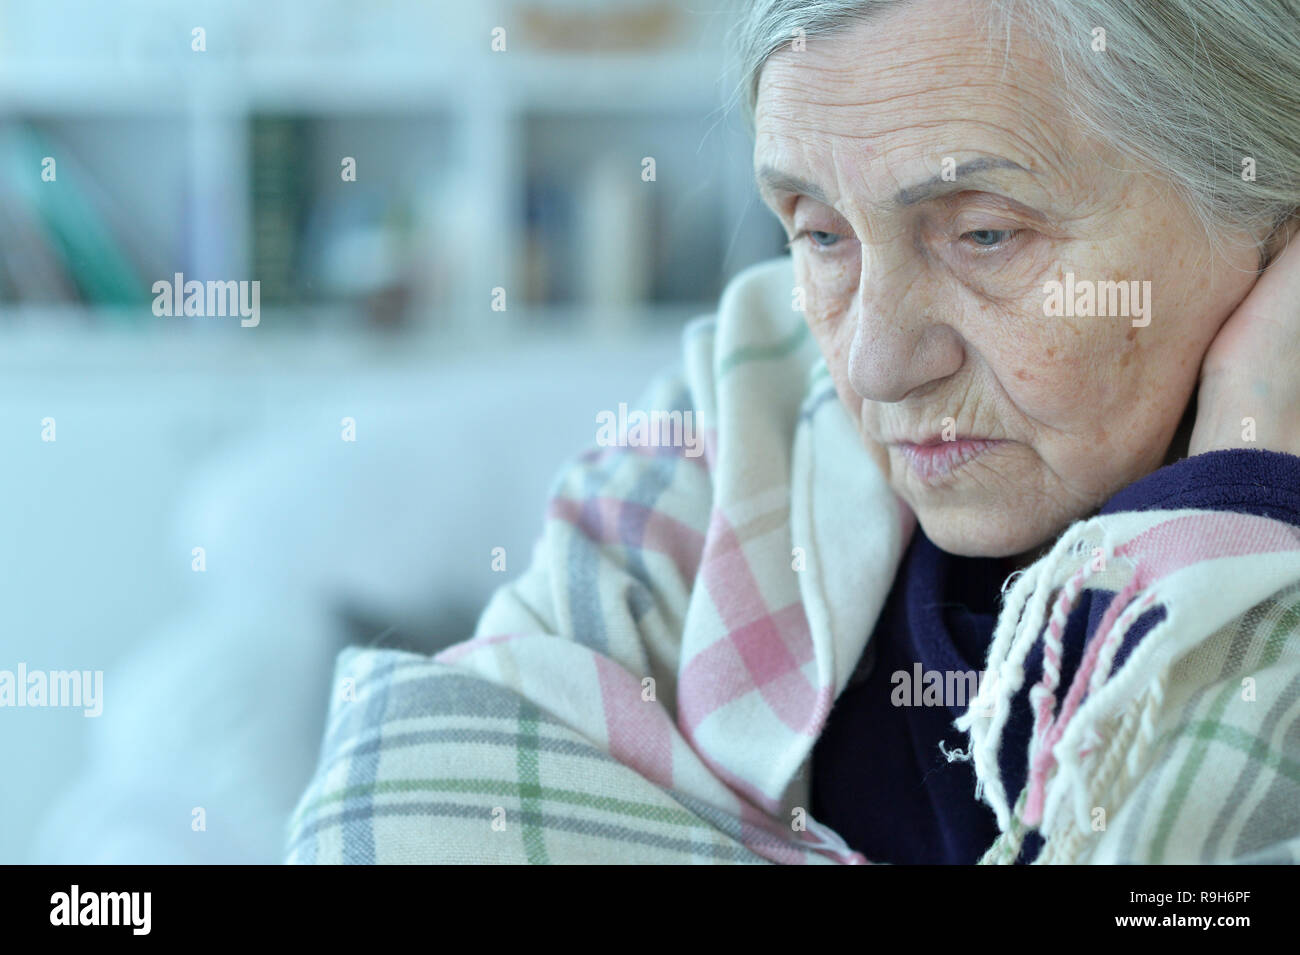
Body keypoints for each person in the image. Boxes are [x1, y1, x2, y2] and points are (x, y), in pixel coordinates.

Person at [287, 0, 1300, 864]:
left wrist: (1236, 504)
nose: (869, 363)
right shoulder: (747, 398)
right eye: (819, 233)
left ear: (1273, 209)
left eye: (985, 232)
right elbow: (380, 820)